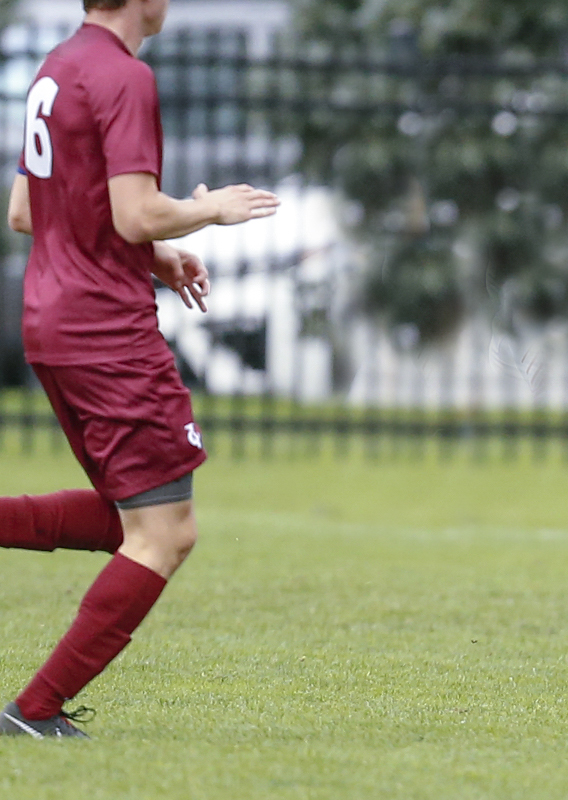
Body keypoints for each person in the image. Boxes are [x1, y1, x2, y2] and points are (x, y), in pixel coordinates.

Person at [0, 0, 279, 738]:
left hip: (51, 322)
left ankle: (35, 708)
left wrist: (156, 255)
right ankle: (34, 710)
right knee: (166, 533)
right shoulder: (124, 76)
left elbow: (29, 211)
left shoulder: (57, 68)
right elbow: (133, 213)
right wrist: (209, 210)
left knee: (133, 517)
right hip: (105, 332)